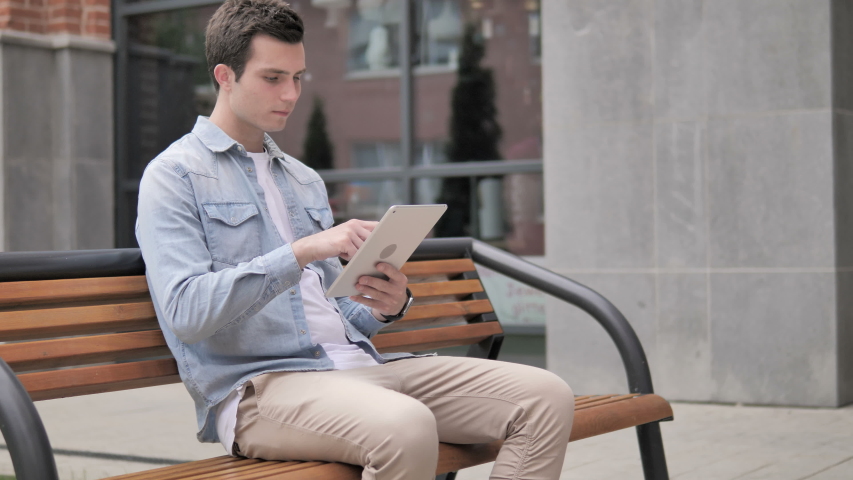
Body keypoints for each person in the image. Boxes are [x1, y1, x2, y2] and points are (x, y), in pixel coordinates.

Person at [135, 0, 574, 478]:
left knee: (545, 398)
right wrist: (303, 251)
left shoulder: (302, 179)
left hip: (362, 367)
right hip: (263, 389)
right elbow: (186, 313)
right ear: (225, 76)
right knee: (405, 426)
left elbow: (334, 315)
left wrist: (383, 305)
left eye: (298, 77)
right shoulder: (175, 175)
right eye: (273, 78)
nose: (290, 94)